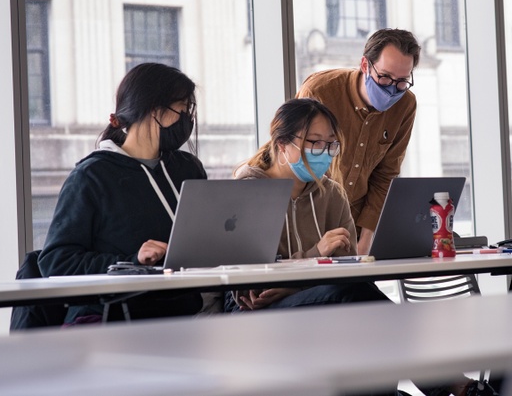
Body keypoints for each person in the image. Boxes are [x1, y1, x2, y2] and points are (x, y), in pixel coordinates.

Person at [38, 62, 206, 324]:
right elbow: (57, 261)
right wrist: (132, 261)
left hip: (184, 315)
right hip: (112, 319)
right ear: (154, 110)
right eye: (181, 110)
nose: (187, 121)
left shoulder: (187, 168)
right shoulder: (92, 176)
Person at [224, 97, 388, 311]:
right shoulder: (249, 191)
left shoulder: (332, 194)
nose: (325, 151)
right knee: (349, 294)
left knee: (357, 288)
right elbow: (248, 285)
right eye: (315, 142)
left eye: (331, 143)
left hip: (313, 296)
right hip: (255, 307)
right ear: (282, 144)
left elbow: (347, 270)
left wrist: (297, 286)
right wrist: (316, 253)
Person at [296, 28, 420, 255]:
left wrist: (366, 236)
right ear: (365, 65)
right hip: (313, 219)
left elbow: (386, 175)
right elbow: (296, 160)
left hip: (356, 223)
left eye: (402, 81)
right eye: (384, 77)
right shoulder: (321, 91)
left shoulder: (405, 106)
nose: (392, 88)